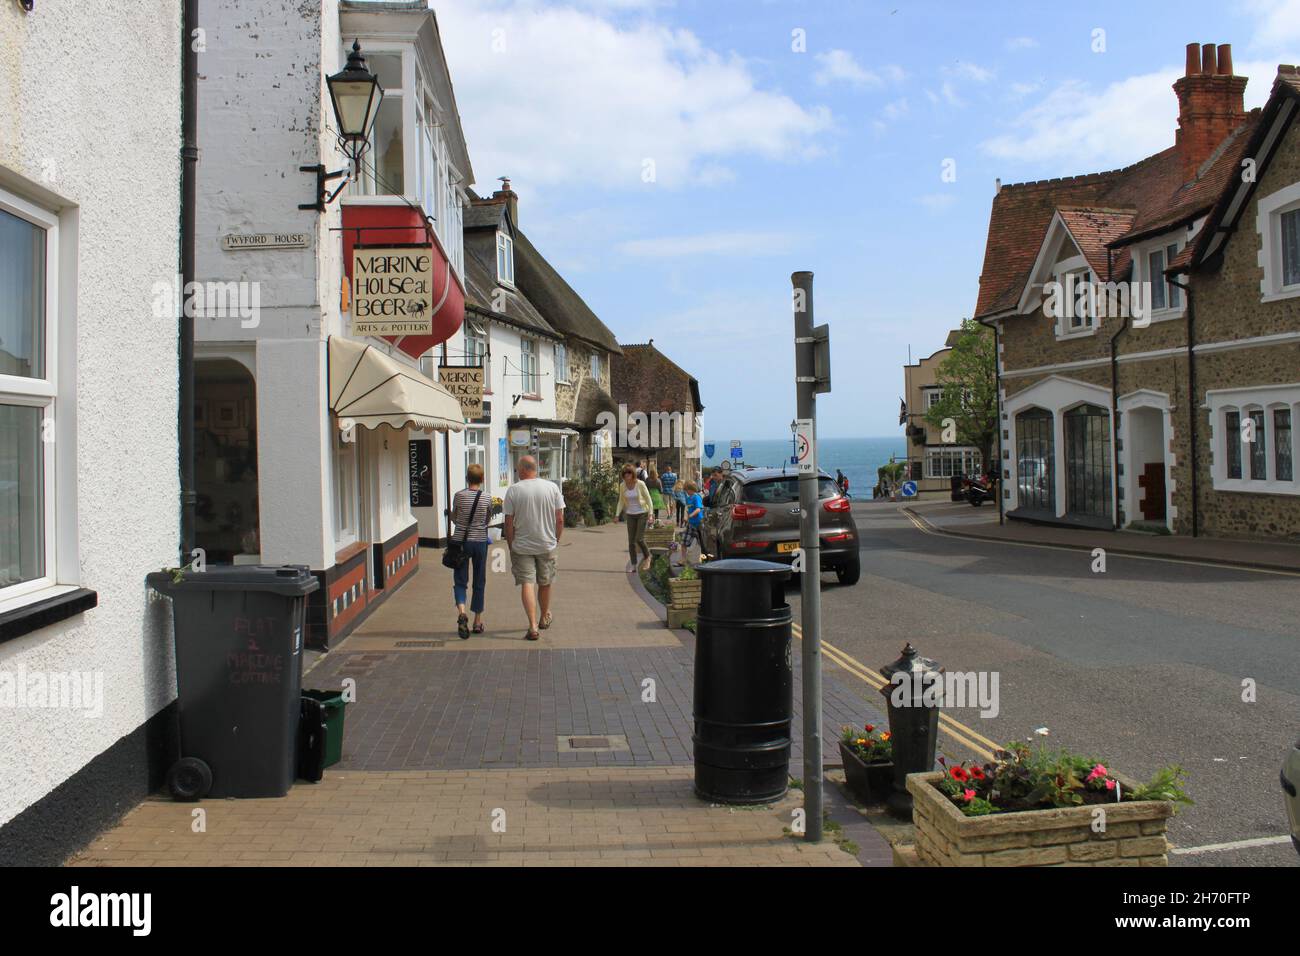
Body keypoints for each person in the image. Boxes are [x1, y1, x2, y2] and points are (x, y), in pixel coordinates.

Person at [503, 455, 565, 641]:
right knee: (545, 582)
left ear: (522, 470)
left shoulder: (513, 491)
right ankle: (545, 616)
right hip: (547, 544)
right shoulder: (552, 487)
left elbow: (508, 523)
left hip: (522, 546)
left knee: (527, 583)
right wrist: (556, 539)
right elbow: (560, 518)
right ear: (535, 469)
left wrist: (511, 545)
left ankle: (532, 626)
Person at [450, 463, 490, 639]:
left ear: (467, 478)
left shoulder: (458, 496)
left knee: (460, 579)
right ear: (482, 479)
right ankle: (477, 621)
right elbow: (487, 520)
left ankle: (462, 611)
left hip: (461, 542)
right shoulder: (487, 497)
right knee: (479, 580)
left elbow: (455, 518)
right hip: (480, 542)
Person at [616, 463, 653, 572]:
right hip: (630, 514)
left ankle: (648, 556)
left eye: (629, 473)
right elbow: (621, 501)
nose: (627, 476)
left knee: (639, 538)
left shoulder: (640, 484)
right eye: (625, 474)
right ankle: (633, 564)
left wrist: (650, 514)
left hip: (642, 513)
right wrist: (617, 515)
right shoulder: (622, 485)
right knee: (631, 541)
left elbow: (648, 499)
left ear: (633, 474)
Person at [681, 480, 705, 565]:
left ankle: (703, 560)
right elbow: (687, 509)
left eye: (687, 489)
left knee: (702, 543)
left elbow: (698, 509)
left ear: (691, 489)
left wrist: (691, 515)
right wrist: (686, 517)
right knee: (684, 542)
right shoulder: (688, 498)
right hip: (690, 524)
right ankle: (683, 560)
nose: (686, 491)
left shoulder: (696, 497)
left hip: (699, 523)